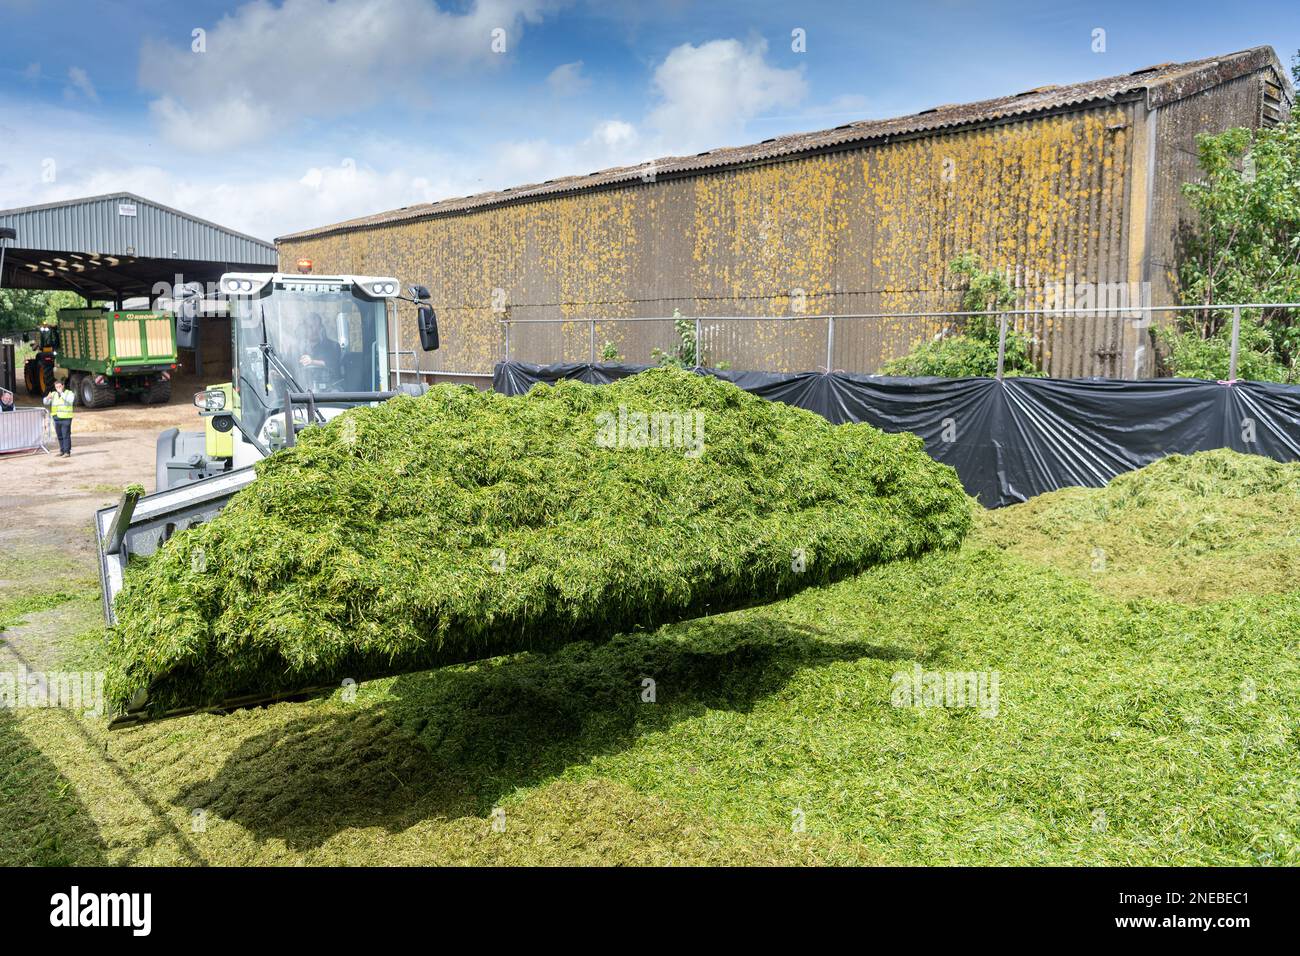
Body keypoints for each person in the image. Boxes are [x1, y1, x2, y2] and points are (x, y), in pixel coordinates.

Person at [298, 312, 341, 385]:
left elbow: (333, 364)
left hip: (329, 389)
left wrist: (312, 362)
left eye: (317, 326)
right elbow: (288, 366)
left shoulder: (333, 346)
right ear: (305, 328)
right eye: (310, 326)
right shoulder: (296, 348)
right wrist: (275, 373)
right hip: (300, 390)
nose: (314, 330)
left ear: (321, 328)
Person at [43, 379, 75, 457]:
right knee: (59, 435)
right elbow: (45, 402)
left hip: (66, 418)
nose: (58, 388)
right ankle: (62, 450)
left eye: (59, 386)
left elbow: (70, 401)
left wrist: (61, 393)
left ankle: (67, 452)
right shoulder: (53, 394)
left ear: (63, 386)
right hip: (56, 418)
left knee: (65, 435)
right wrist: (47, 398)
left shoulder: (69, 393)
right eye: (56, 387)